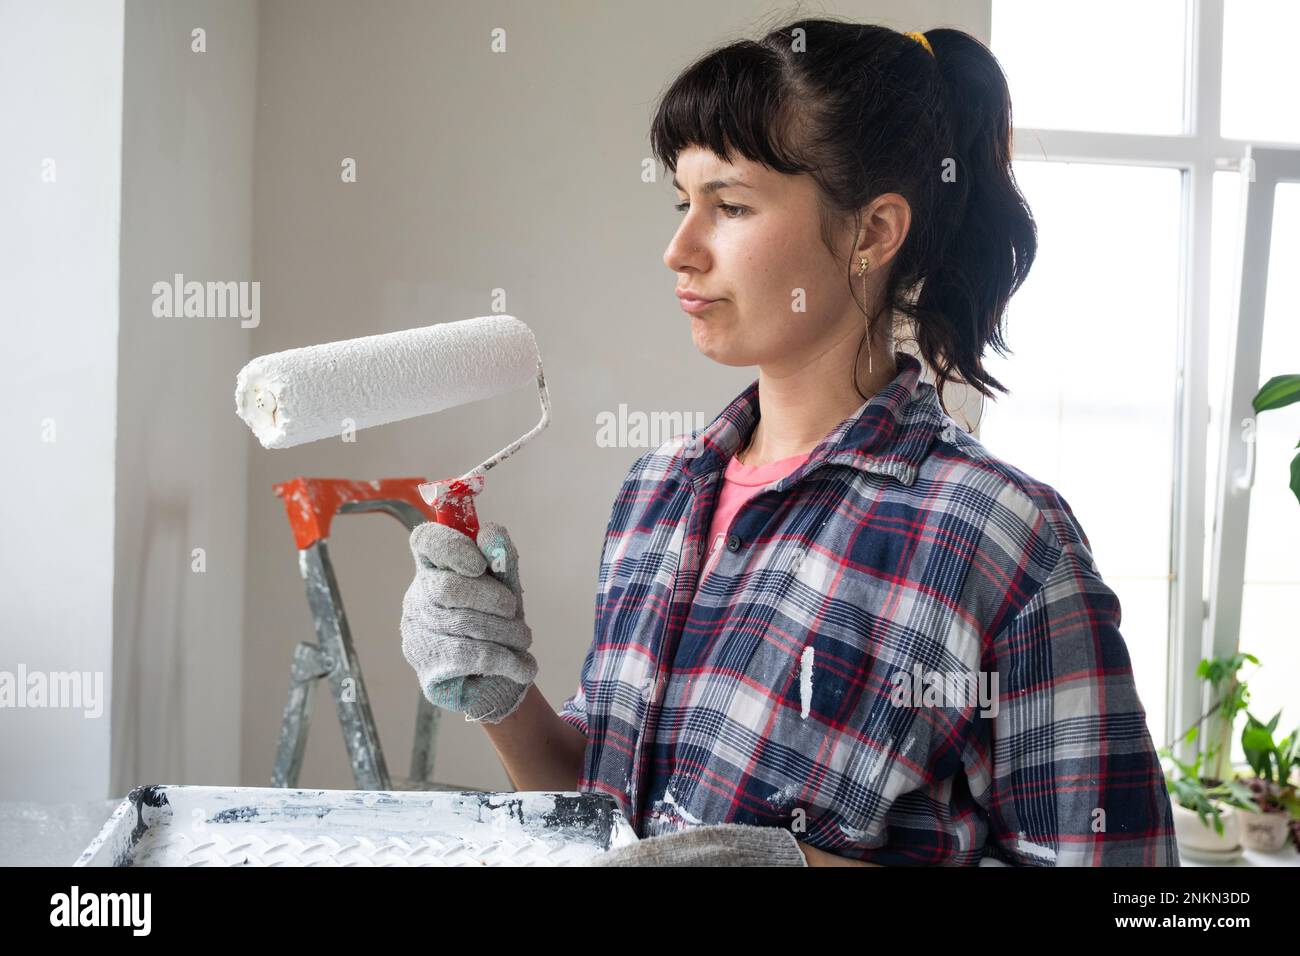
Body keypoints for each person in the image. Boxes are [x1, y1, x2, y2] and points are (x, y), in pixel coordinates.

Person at [399, 17, 1178, 867]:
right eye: (681, 203)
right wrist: (504, 696)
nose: (678, 250)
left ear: (873, 233)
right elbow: (606, 816)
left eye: (729, 206)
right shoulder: (658, 493)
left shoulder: (998, 538)